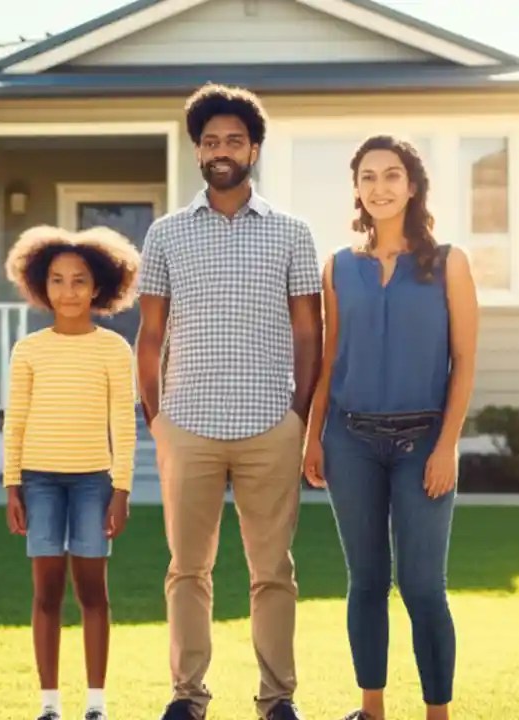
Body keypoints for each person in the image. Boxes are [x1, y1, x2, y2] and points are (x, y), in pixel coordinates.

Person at [136, 83, 323, 720]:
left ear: (254, 148)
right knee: (188, 570)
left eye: (234, 140)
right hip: (186, 424)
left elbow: (308, 331)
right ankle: (188, 697)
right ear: (197, 150)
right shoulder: (164, 234)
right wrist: (157, 418)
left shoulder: (293, 233)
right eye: (211, 140)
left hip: (271, 424)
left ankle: (277, 699)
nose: (222, 150)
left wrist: (298, 414)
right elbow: (151, 334)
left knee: (273, 571)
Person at [301, 135, 480, 720]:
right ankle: (371, 709)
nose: (380, 187)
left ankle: (437, 713)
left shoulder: (448, 261)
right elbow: (329, 358)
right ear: (356, 188)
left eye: (392, 175)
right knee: (367, 579)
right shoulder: (338, 266)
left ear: (413, 185)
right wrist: (313, 438)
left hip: (422, 440)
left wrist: (447, 445)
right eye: (369, 176)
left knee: (424, 586)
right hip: (349, 439)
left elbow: (465, 361)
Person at [1, 224, 141, 720]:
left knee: (92, 592)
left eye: (79, 280)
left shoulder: (113, 350)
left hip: (91, 484)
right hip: (38, 483)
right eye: (57, 280)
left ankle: (97, 703)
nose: (68, 290)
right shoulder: (29, 350)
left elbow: (124, 425)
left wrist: (120, 489)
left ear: (99, 286)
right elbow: (14, 422)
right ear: (42, 285)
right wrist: (12, 485)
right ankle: (48, 703)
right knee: (46, 593)